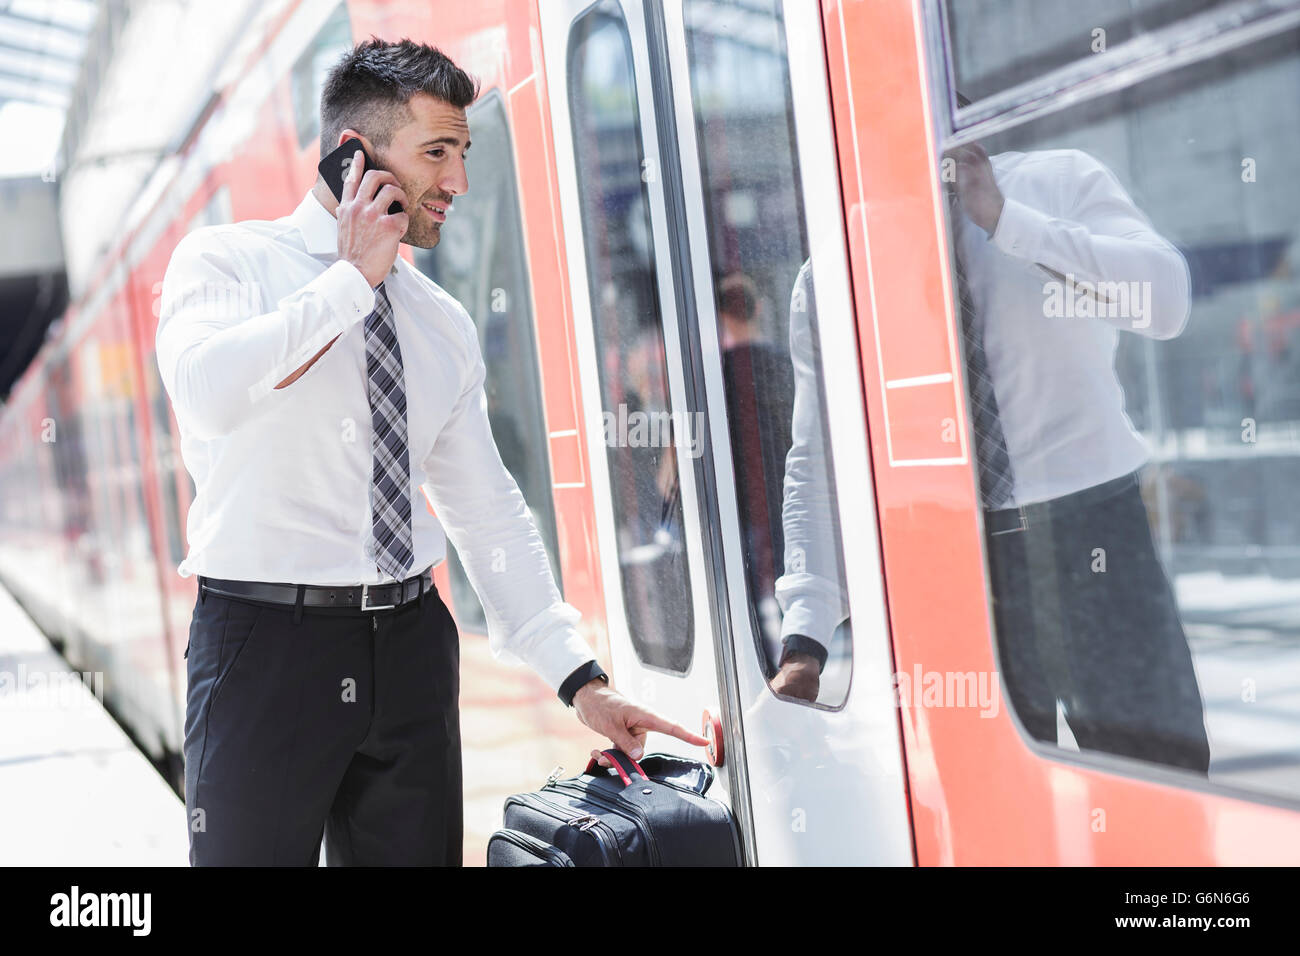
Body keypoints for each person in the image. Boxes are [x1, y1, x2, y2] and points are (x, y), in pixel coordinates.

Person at [156, 38, 705, 866]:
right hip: (263, 648)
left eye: (462, 153)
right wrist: (350, 281)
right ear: (355, 159)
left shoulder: (441, 321)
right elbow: (208, 391)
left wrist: (578, 678)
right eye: (436, 153)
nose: (458, 182)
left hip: (410, 646)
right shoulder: (229, 263)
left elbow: (486, 510)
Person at [946, 136, 1211, 772]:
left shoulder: (1055, 178)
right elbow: (812, 458)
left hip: (1096, 533)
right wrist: (807, 635)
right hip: (955, 561)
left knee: (1160, 793)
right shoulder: (860, 246)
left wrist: (1009, 224)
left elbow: (1165, 302)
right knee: (993, 818)